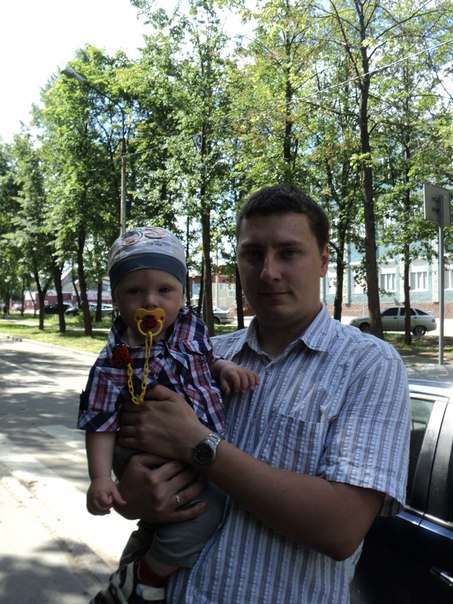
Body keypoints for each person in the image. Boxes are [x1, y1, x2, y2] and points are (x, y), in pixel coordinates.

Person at [111, 185, 411, 603]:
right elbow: (134, 459)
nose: (268, 272)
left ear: (323, 261)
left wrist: (200, 444)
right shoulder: (203, 355)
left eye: (289, 253)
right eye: (253, 254)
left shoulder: (369, 365)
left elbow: (341, 529)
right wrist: (131, 497)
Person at [78, 226, 259, 604]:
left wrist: (224, 368)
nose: (150, 301)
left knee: (163, 520)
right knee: (207, 510)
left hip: (190, 445)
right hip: (145, 452)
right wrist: (100, 477)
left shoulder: (191, 329)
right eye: (134, 291)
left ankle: (129, 575)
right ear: (116, 300)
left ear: (182, 294)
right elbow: (100, 421)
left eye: (164, 290)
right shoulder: (115, 360)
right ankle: (148, 576)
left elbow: (205, 360)